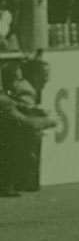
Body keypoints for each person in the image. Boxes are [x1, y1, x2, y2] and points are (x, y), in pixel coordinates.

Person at [0, 54, 53, 195]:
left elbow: (18, 108)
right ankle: (7, 183)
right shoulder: (4, 100)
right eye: (18, 79)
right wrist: (47, 122)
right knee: (16, 135)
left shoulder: (9, 98)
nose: (21, 83)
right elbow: (24, 122)